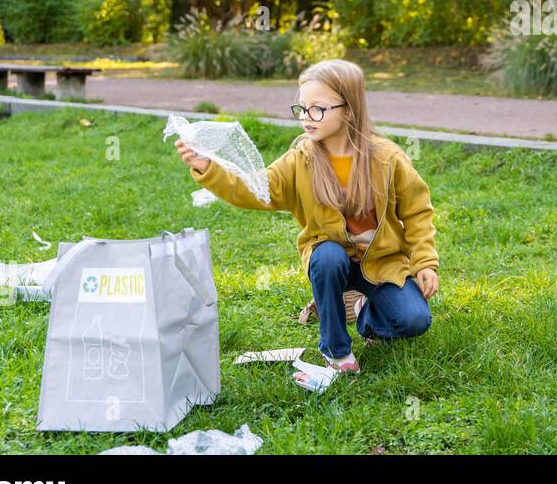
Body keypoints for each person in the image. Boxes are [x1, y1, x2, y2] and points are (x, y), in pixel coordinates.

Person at [174, 58, 438, 385]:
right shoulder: (300, 160)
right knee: (328, 257)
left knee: (413, 320)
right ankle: (336, 348)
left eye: (317, 109)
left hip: (382, 263)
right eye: (301, 108)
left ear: (349, 110)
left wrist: (425, 263)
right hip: (330, 260)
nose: (306, 118)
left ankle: (365, 311)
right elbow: (255, 190)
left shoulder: (387, 158)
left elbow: (417, 211)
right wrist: (207, 168)